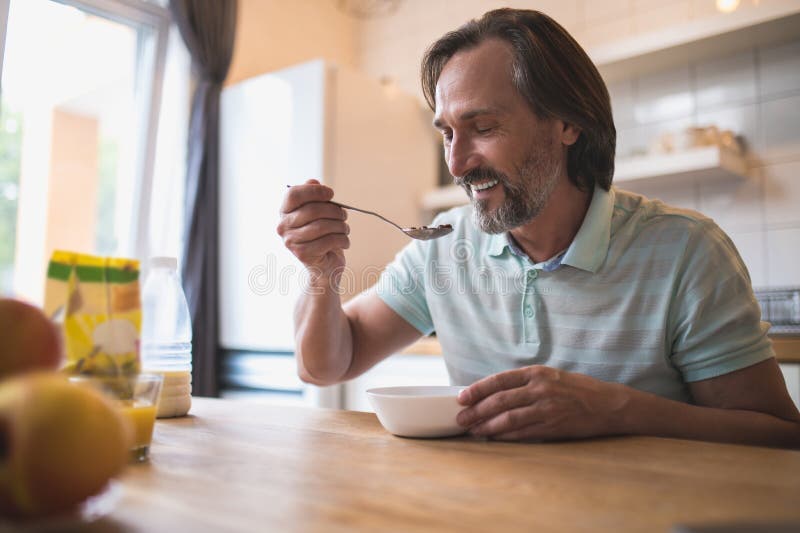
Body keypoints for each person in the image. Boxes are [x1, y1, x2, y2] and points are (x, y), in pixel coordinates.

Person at [277, 8, 800, 448]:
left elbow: (779, 436)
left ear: (568, 123)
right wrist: (321, 272)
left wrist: (618, 410)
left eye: (483, 128)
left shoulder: (687, 251)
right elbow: (324, 366)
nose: (457, 165)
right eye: (447, 134)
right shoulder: (445, 247)